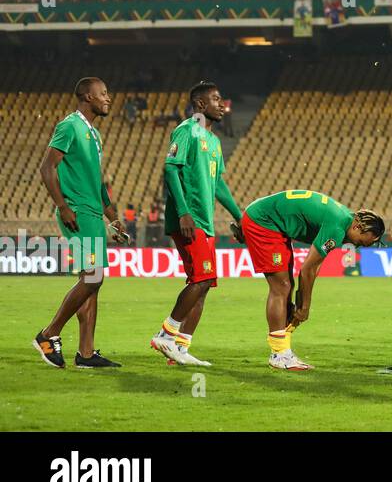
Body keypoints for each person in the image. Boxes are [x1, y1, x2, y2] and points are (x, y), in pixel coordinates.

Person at [32, 78, 128, 369]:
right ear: (88, 96)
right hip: (77, 211)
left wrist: (113, 216)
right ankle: (48, 334)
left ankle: (86, 354)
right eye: (103, 94)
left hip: (93, 213)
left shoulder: (94, 134)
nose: (108, 98)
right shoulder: (70, 126)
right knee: (93, 276)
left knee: (93, 282)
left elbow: (97, 183)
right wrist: (63, 206)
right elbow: (47, 168)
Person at [150, 82, 246, 366]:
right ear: (201, 105)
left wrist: (240, 217)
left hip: (205, 221)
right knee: (201, 279)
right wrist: (183, 212)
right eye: (216, 99)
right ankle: (166, 335)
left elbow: (218, 185)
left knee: (203, 284)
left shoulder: (214, 142)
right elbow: (170, 168)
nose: (222, 104)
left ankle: (180, 348)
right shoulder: (187, 129)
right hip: (189, 220)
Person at [240, 190, 384, 370]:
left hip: (272, 221)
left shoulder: (343, 219)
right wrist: (305, 306)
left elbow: (314, 267)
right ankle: (279, 354)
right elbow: (307, 269)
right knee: (282, 287)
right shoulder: (337, 227)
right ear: (357, 227)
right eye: (361, 242)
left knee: (287, 286)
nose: (356, 246)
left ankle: (282, 351)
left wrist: (301, 301)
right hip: (264, 222)